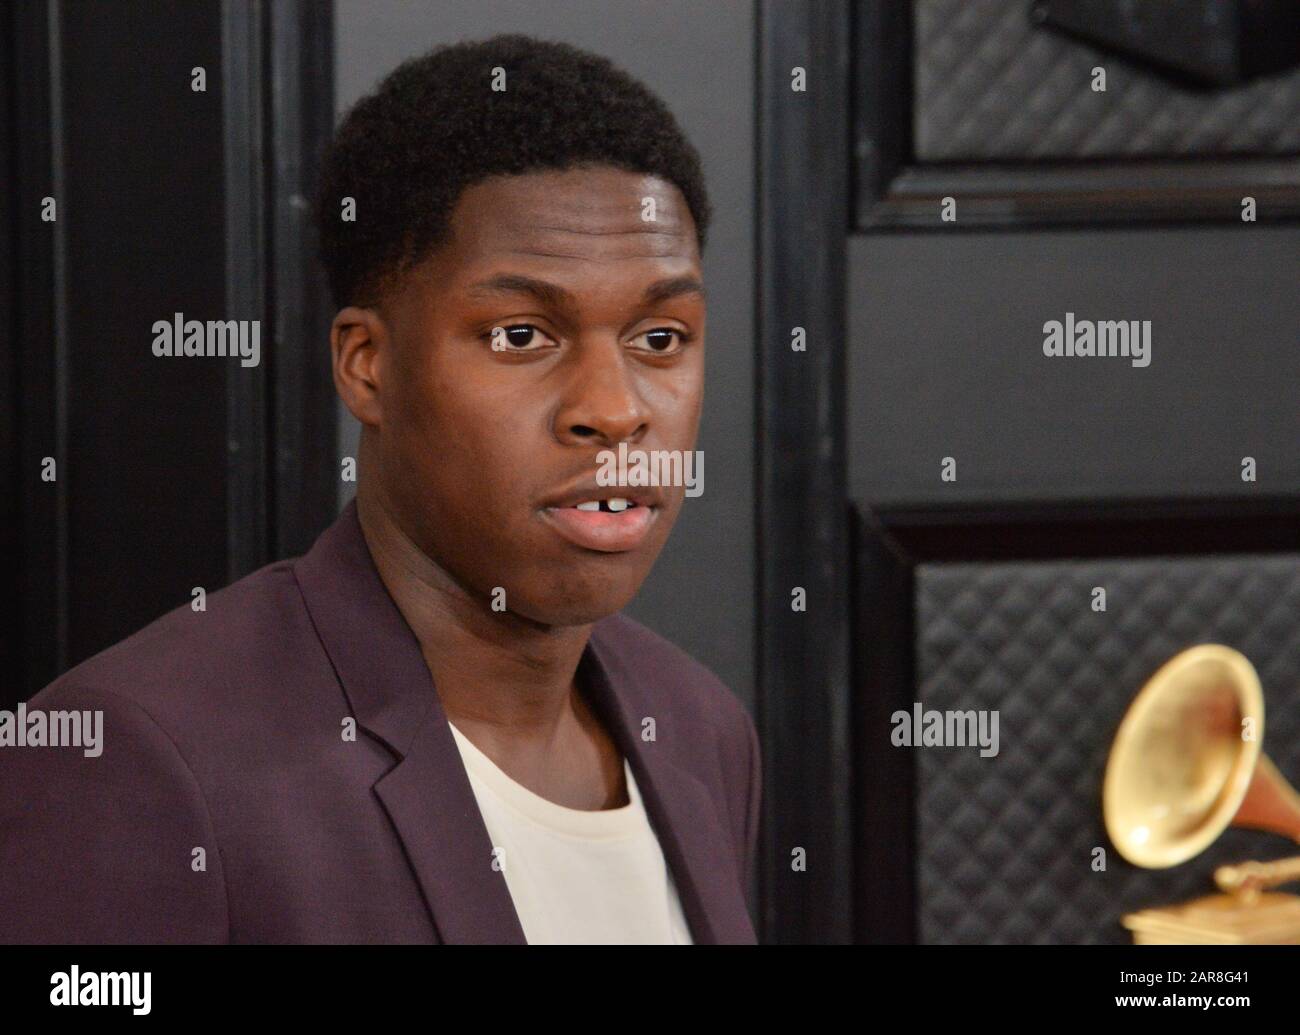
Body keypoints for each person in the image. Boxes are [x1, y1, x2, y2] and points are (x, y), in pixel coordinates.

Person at [0, 33, 759, 945]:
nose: (614, 410)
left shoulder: (701, 728)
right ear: (368, 366)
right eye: (521, 334)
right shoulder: (141, 759)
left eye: (661, 337)